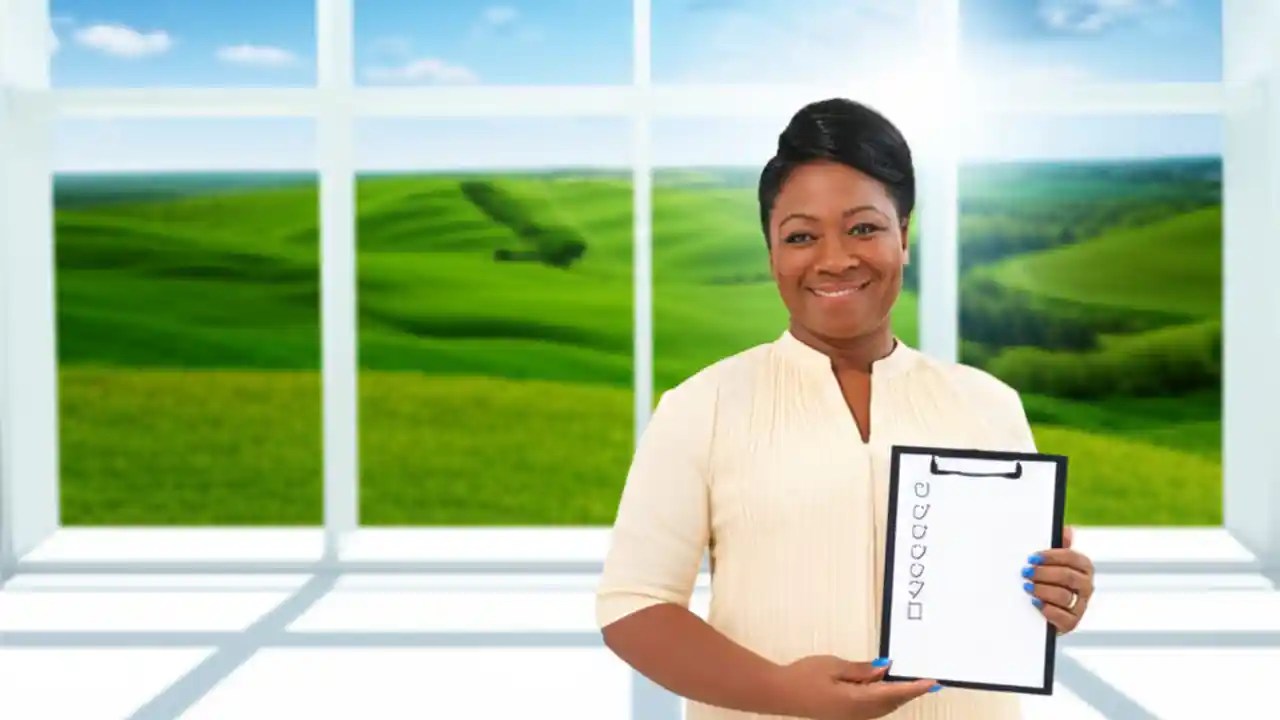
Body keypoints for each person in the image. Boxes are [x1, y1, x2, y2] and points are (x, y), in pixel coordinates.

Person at [594, 98, 1096, 720]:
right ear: (772, 254)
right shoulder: (702, 407)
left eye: (863, 227)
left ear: (904, 237)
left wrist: (1057, 596)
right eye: (801, 236)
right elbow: (633, 607)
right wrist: (782, 692)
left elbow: (1012, 600)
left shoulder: (989, 404)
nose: (834, 259)